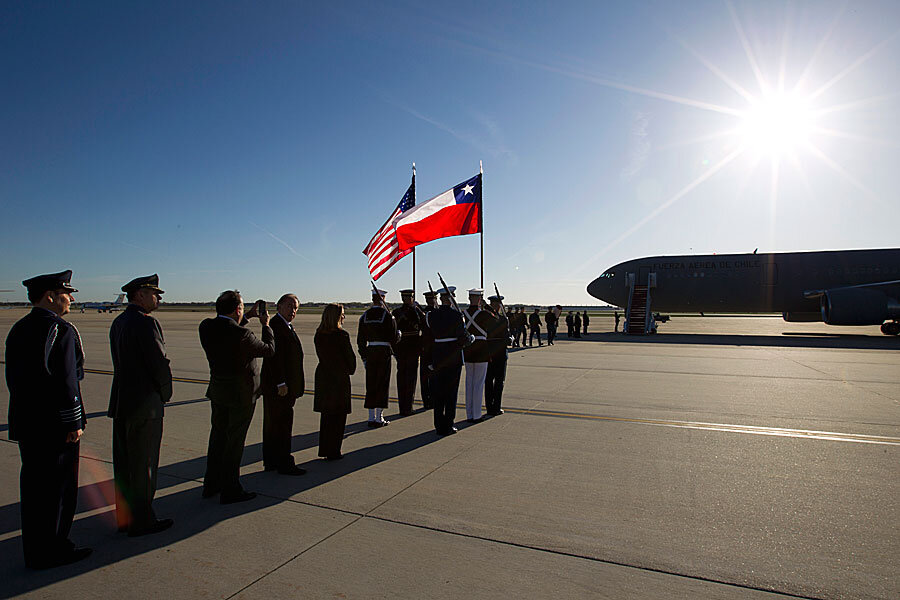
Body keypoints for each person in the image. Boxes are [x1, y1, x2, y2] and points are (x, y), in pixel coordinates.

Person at [5, 270, 91, 568]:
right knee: (57, 491)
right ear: (50, 296)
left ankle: (36, 550)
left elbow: (15, 380)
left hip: (28, 423)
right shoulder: (59, 329)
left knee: (34, 491)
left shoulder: (20, 327)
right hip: (55, 427)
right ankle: (54, 549)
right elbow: (67, 381)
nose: (71, 299)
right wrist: (73, 422)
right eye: (66, 293)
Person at [108, 274, 174, 537]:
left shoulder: (119, 322)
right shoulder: (147, 323)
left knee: (125, 465)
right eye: (154, 294)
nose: (158, 299)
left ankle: (125, 518)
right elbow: (159, 363)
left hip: (122, 402)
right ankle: (143, 521)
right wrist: (165, 392)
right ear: (139, 295)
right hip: (145, 405)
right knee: (143, 464)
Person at [199, 291, 274, 504]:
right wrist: (266, 326)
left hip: (219, 391)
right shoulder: (243, 334)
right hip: (241, 395)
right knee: (234, 442)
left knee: (218, 438)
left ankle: (211, 484)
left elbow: (227, 328)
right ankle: (231, 488)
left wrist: (246, 316)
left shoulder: (206, 326)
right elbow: (268, 350)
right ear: (237, 309)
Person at [260, 294, 306, 476]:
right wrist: (281, 382)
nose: (293, 311)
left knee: (274, 424)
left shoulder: (285, 325)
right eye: (289, 306)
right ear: (279, 307)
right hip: (280, 387)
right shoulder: (276, 326)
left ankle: (272, 460)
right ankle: (284, 463)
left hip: (283, 385)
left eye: (295, 308)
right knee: (282, 425)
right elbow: (274, 357)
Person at [422, 286, 472, 435]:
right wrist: (470, 339)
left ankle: (439, 425)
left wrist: (429, 359)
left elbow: (428, 339)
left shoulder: (431, 315)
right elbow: (462, 338)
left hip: (437, 357)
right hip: (453, 357)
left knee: (438, 393)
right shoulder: (457, 315)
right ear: (451, 298)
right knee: (451, 393)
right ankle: (448, 425)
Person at [313, 304, 356, 460]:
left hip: (324, 377)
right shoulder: (341, 335)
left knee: (326, 417)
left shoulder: (319, 334)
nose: (344, 317)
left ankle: (325, 448)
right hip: (339, 379)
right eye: (342, 314)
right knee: (338, 418)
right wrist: (349, 368)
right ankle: (334, 450)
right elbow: (350, 360)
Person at [357, 288, 399, 427]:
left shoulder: (365, 316)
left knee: (371, 384)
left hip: (371, 352)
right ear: (383, 299)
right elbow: (393, 338)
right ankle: (379, 417)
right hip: (383, 352)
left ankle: (371, 416)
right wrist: (398, 335)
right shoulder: (387, 316)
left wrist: (364, 356)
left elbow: (360, 340)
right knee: (382, 383)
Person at [392, 289, 425, 416]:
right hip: (412, 347)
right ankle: (408, 407)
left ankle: (403, 407)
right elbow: (423, 323)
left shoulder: (396, 312)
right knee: (410, 378)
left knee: (401, 377)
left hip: (401, 348)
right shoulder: (415, 311)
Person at [462, 288, 493, 423]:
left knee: (469, 383)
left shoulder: (463, 313)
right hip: (481, 351)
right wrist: (488, 307)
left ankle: (469, 414)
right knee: (479, 383)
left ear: (469, 298)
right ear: (480, 299)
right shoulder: (485, 314)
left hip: (468, 350)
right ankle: (477, 414)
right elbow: (496, 320)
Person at [485, 295, 510, 416]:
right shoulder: (503, 319)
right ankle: (496, 407)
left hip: (489, 353)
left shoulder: (487, 318)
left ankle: (490, 407)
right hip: (499, 353)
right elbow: (506, 337)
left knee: (489, 381)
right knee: (498, 381)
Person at [419, 290, 438, 408]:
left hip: (432, 347)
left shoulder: (437, 312)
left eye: (432, 299)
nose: (431, 301)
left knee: (431, 376)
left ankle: (430, 399)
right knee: (427, 376)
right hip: (429, 347)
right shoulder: (423, 313)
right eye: (430, 299)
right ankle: (428, 400)